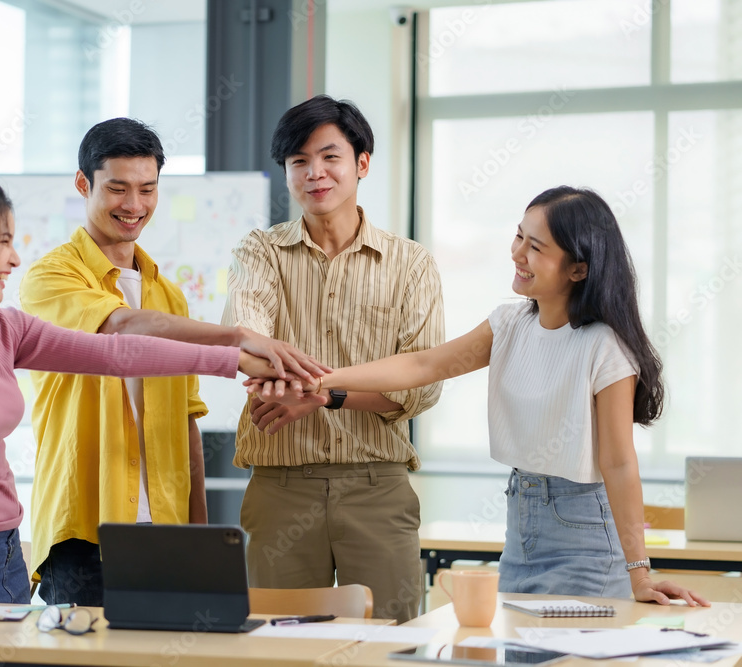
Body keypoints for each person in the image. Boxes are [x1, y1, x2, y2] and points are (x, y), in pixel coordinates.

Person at [0, 174, 289, 614]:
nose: (15, 258)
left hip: (1, 552)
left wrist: (234, 357)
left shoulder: (3, 327)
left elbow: (116, 355)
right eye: (2, 243)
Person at [251, 186, 711, 606]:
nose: (518, 254)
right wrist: (321, 381)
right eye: (518, 237)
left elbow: (619, 464)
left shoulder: (604, 347)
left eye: (536, 247)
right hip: (522, 526)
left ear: (579, 268)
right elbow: (422, 365)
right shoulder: (509, 324)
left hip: (585, 536)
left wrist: (640, 573)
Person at [18, 118, 327, 607]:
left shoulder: (170, 295)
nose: (134, 206)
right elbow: (120, 329)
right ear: (83, 184)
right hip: (83, 526)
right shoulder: (50, 277)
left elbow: (187, 422)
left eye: (147, 189)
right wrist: (238, 337)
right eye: (117, 188)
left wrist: (199, 537)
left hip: (165, 529)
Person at [221, 95, 445, 623]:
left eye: (329, 157)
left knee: (392, 644)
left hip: (377, 486)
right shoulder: (259, 252)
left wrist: (322, 396)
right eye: (299, 162)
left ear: (361, 163)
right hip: (280, 487)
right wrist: (304, 383)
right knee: (279, 646)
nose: (314, 173)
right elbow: (247, 347)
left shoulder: (410, 264)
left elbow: (420, 386)